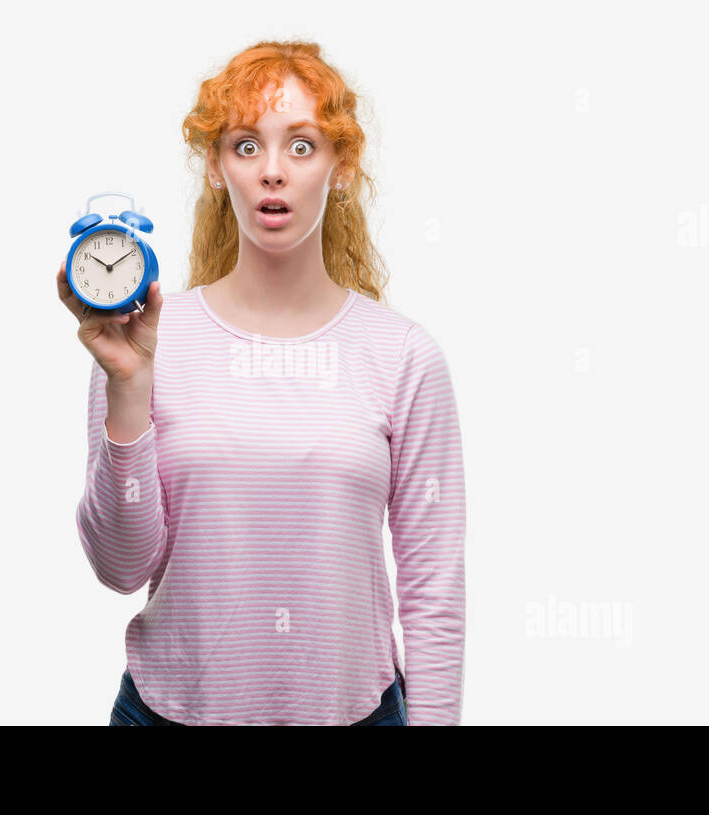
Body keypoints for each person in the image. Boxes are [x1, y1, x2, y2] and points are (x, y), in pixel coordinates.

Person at [56, 40, 466, 725]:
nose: (273, 171)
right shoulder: (144, 342)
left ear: (341, 168)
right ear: (217, 169)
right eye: (246, 146)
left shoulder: (404, 356)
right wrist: (128, 385)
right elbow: (121, 569)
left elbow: (433, 589)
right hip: (166, 712)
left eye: (301, 146)